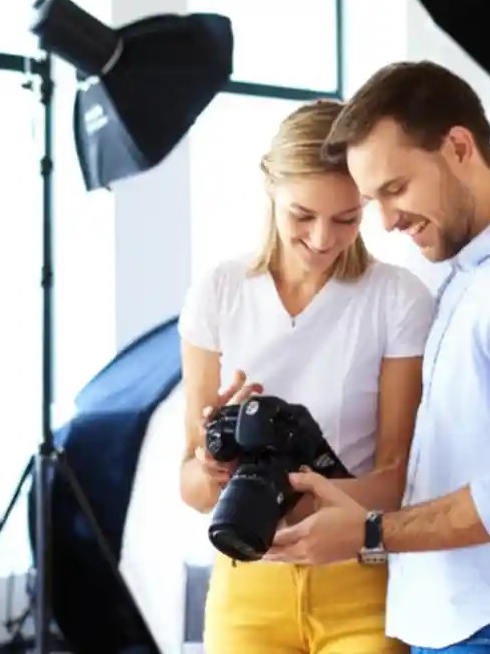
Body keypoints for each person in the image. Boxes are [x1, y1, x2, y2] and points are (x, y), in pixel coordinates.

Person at [261, 61, 490, 654]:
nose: (386, 221)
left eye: (395, 189)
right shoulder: (475, 274)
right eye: (373, 201)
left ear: (459, 147)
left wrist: (372, 533)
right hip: (485, 626)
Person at [178, 98, 436, 653]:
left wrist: (302, 492)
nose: (323, 240)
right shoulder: (219, 292)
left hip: (359, 581)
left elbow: (396, 480)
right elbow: (191, 488)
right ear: (270, 188)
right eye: (303, 215)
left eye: (347, 218)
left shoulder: (398, 300)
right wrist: (215, 466)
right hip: (246, 581)